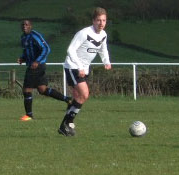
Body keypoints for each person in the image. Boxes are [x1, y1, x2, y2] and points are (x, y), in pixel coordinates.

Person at [59, 8, 112, 136]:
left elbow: (103, 49)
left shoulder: (103, 35)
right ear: (93, 21)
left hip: (84, 69)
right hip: (73, 67)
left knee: (78, 98)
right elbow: (70, 50)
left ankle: (64, 126)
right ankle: (68, 123)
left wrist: (106, 61)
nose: (101, 23)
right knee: (84, 94)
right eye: (98, 20)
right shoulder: (84, 33)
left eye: (104, 20)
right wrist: (79, 67)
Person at [16, 19, 70, 120]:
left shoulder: (34, 35)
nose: (24, 26)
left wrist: (37, 61)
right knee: (42, 89)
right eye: (23, 24)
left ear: (31, 26)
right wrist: (22, 58)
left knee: (26, 89)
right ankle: (68, 100)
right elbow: (26, 50)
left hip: (37, 66)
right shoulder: (23, 37)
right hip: (34, 65)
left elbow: (46, 48)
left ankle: (29, 115)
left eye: (27, 24)